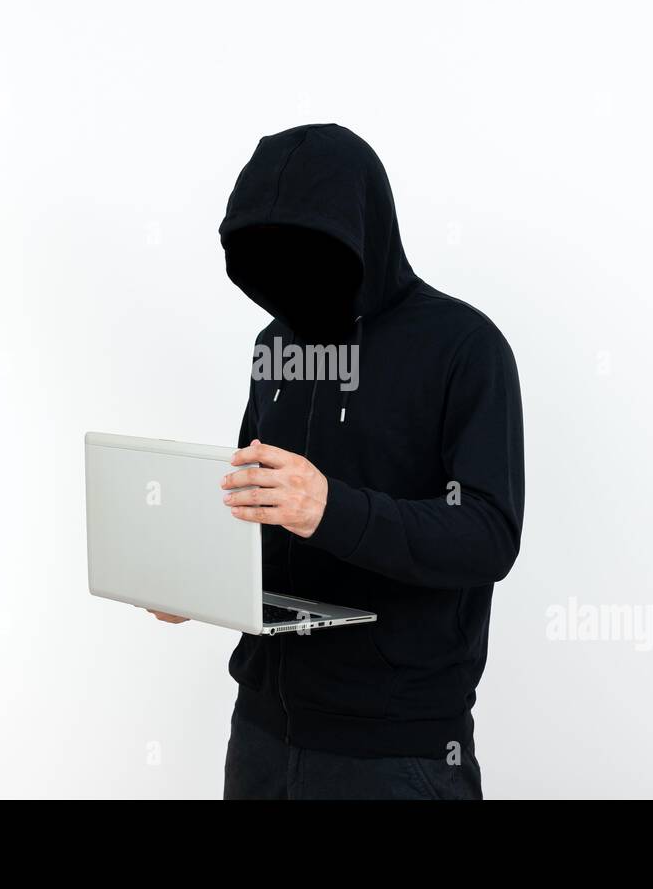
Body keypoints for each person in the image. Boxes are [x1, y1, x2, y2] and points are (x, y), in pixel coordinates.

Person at [150, 123, 524, 799]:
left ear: (363, 233)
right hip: (261, 734)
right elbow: (255, 503)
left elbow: (489, 535)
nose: (290, 270)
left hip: (398, 753)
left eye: (310, 246)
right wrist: (195, 576)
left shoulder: (467, 346)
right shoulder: (274, 345)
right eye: (270, 251)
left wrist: (331, 508)